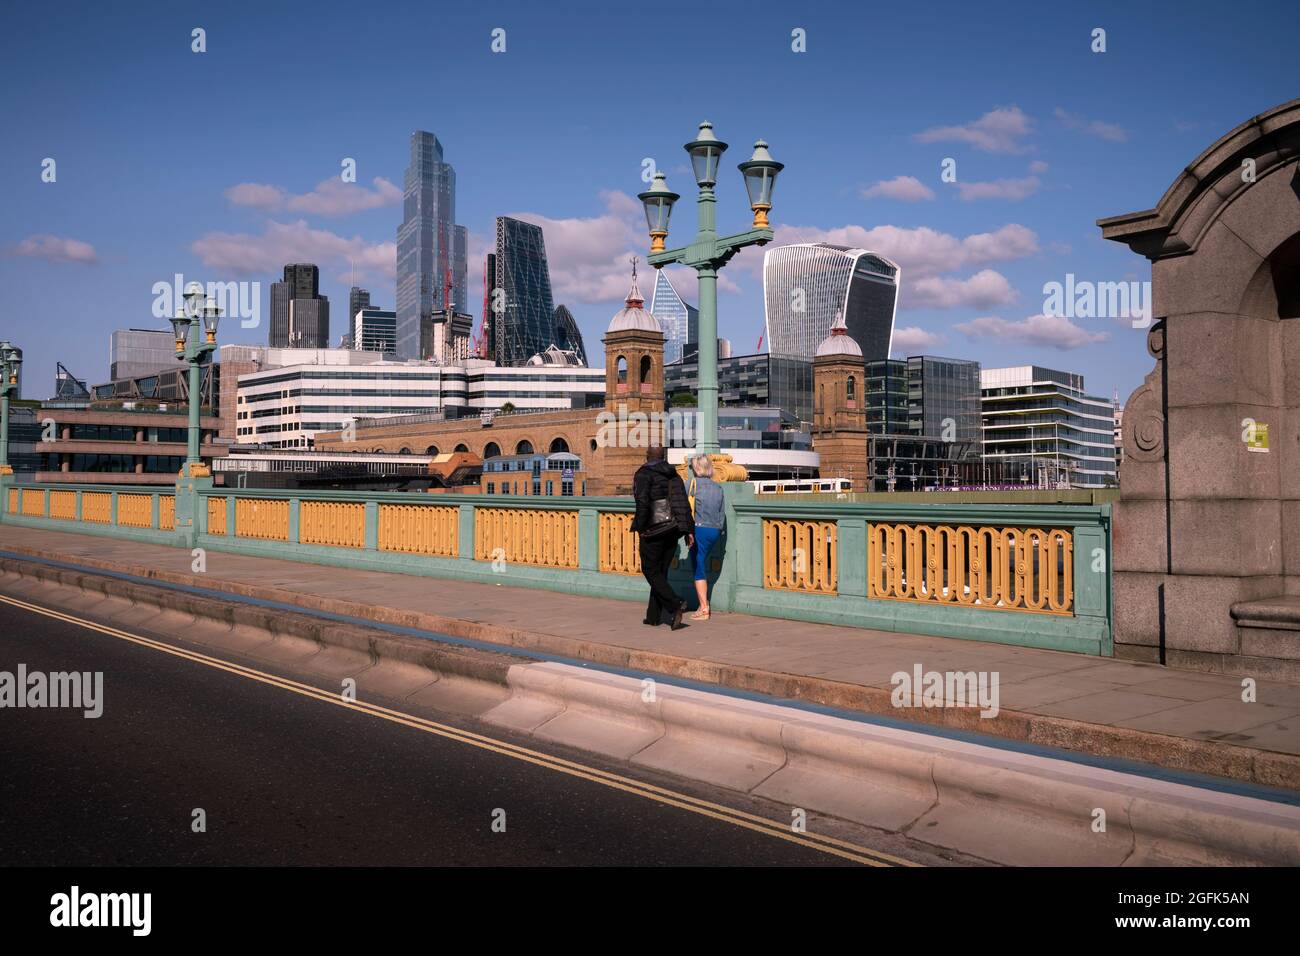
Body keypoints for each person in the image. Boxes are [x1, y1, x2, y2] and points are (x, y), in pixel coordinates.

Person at [631, 445, 694, 629]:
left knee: (650, 570)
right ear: (663, 457)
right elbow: (682, 502)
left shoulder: (643, 474)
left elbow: (642, 503)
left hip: (653, 530)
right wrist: (688, 530)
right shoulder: (673, 474)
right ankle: (653, 616)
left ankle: (675, 604)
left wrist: (641, 527)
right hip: (673, 529)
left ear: (647, 456)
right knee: (661, 572)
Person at [686, 454, 724, 620]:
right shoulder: (718, 487)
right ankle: (704, 605)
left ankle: (703, 608)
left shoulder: (691, 484)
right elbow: (721, 514)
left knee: (698, 566)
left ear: (697, 468)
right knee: (701, 561)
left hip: (698, 529)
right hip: (715, 530)